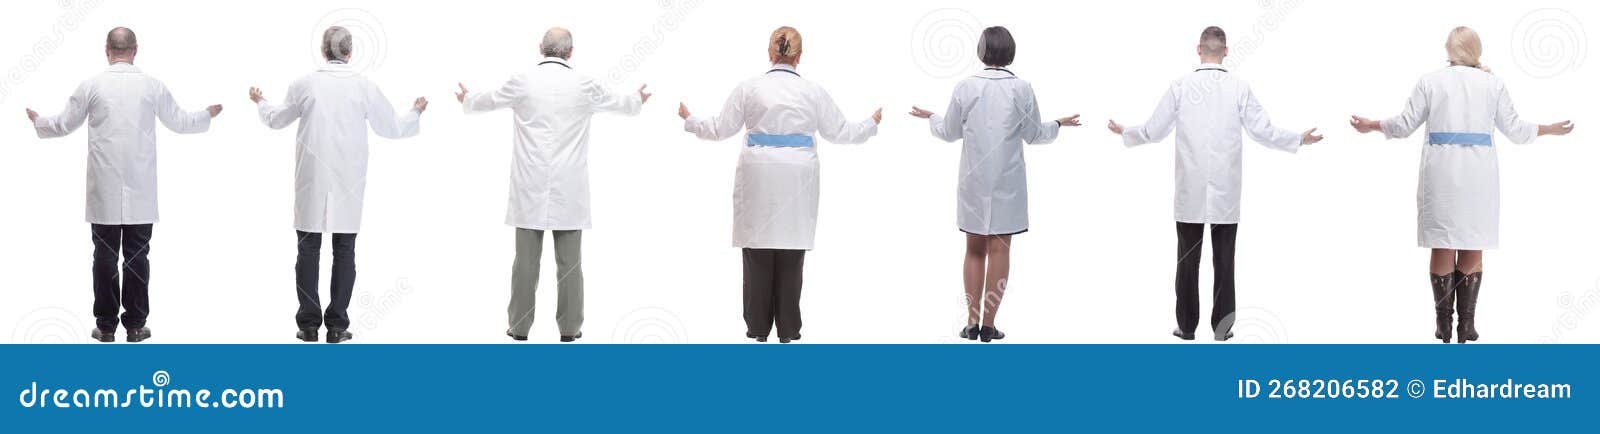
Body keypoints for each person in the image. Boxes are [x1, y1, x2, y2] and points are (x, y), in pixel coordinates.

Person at [1350, 27, 1574, 343]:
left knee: (1443, 242)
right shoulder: (1493, 84)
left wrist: (1372, 125)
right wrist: (1547, 129)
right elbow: (1516, 129)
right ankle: (1466, 325)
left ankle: (1443, 324)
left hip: (1441, 171)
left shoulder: (1430, 81)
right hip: (1478, 175)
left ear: (1449, 50)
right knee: (1472, 240)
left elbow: (1403, 124)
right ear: (1476, 51)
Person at [1107, 26, 1322, 341]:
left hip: (1189, 191)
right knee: (1225, 262)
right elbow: (1263, 130)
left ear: (1198, 49)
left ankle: (1187, 327)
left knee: (1187, 261)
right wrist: (1298, 139)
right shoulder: (1239, 87)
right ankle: (1222, 330)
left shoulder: (1180, 86)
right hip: (1226, 192)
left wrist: (1127, 131)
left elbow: (1154, 130)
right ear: (1225, 50)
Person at [677, 26, 882, 343]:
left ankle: (758, 329)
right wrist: (871, 124)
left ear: (770, 52)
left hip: (758, 172)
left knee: (757, 252)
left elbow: (719, 128)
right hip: (798, 175)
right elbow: (841, 132)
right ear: (799, 56)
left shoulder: (750, 88)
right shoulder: (813, 91)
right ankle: (788, 329)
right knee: (791, 252)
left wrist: (690, 120)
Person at [26, 27, 222, 343]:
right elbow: (181, 122)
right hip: (140, 187)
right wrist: (207, 114)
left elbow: (63, 124)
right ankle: (135, 325)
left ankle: (105, 326)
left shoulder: (91, 86)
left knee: (103, 257)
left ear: (107, 50)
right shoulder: (152, 86)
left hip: (103, 187)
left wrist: (38, 121)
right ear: (135, 50)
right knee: (137, 257)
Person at [455, 27, 650, 343]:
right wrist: (637, 100)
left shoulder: (523, 81)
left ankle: (519, 328)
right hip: (569, 187)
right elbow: (620, 104)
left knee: (525, 263)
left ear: (540, 49)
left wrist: (467, 99)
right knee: (571, 265)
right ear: (570, 52)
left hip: (529, 184)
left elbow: (487, 101)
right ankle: (570, 329)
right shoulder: (584, 84)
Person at [249, 26, 429, 343]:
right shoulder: (364, 87)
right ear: (349, 52)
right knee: (345, 251)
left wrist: (261, 102)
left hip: (311, 179)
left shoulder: (303, 83)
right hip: (349, 179)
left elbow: (277, 119)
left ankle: (307, 325)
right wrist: (415, 111)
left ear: (323, 51)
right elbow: (391, 128)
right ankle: (336, 325)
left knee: (308, 250)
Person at [908, 26, 1080, 342]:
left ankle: (971, 324)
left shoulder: (965, 87)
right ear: (1011, 52)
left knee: (974, 248)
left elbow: (948, 132)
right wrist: (1058, 124)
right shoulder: (1022, 88)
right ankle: (989, 325)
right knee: (1000, 248)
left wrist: (932, 117)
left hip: (974, 178)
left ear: (981, 52)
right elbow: (1034, 135)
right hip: (1008, 180)